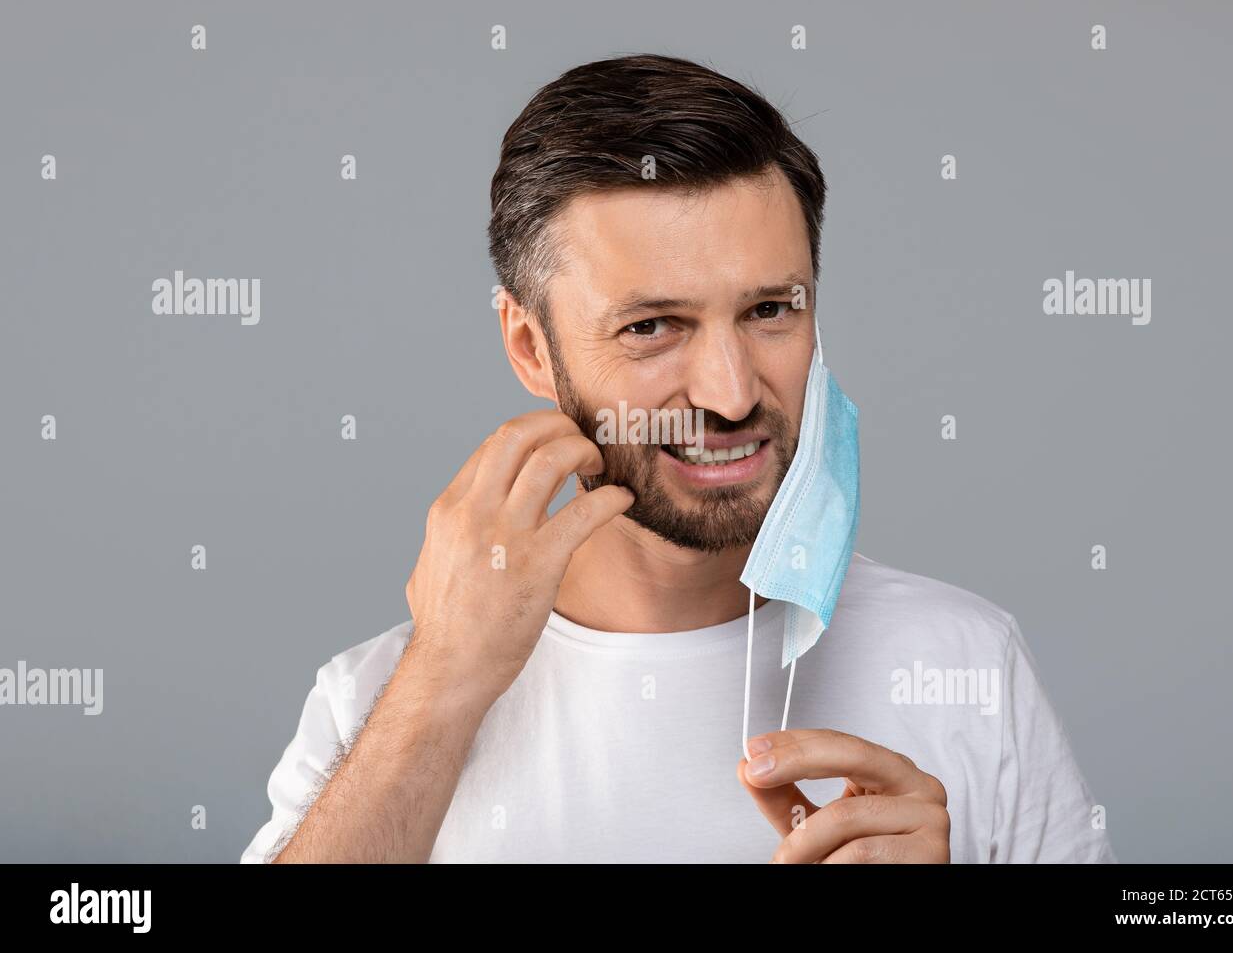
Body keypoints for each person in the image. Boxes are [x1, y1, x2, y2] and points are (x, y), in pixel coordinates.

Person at [240, 53, 1116, 864]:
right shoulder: (377, 704)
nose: (732, 395)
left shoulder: (966, 659)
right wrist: (438, 685)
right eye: (651, 327)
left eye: (771, 310)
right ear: (531, 346)